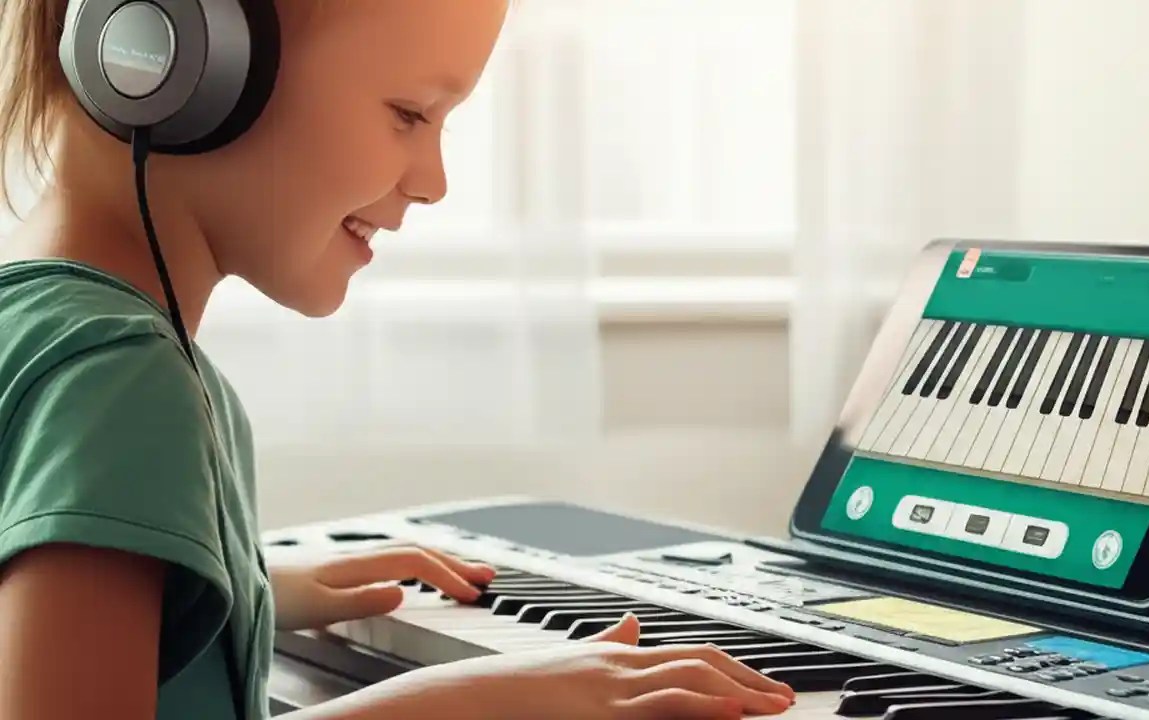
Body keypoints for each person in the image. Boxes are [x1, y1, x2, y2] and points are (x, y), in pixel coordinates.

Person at [0, 1, 797, 718]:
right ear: (184, 58)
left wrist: (243, 590)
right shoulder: (120, 381)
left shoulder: (42, 325)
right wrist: (473, 705)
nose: (434, 182)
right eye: (409, 114)